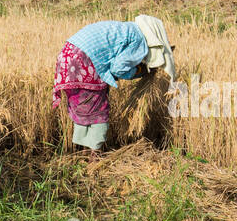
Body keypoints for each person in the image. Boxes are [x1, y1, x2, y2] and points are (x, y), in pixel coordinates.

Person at [53, 15, 175, 159]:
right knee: (99, 111)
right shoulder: (138, 39)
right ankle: (95, 155)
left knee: (83, 107)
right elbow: (118, 68)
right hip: (84, 62)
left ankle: (82, 154)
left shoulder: (127, 28)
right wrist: (140, 71)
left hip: (67, 57)